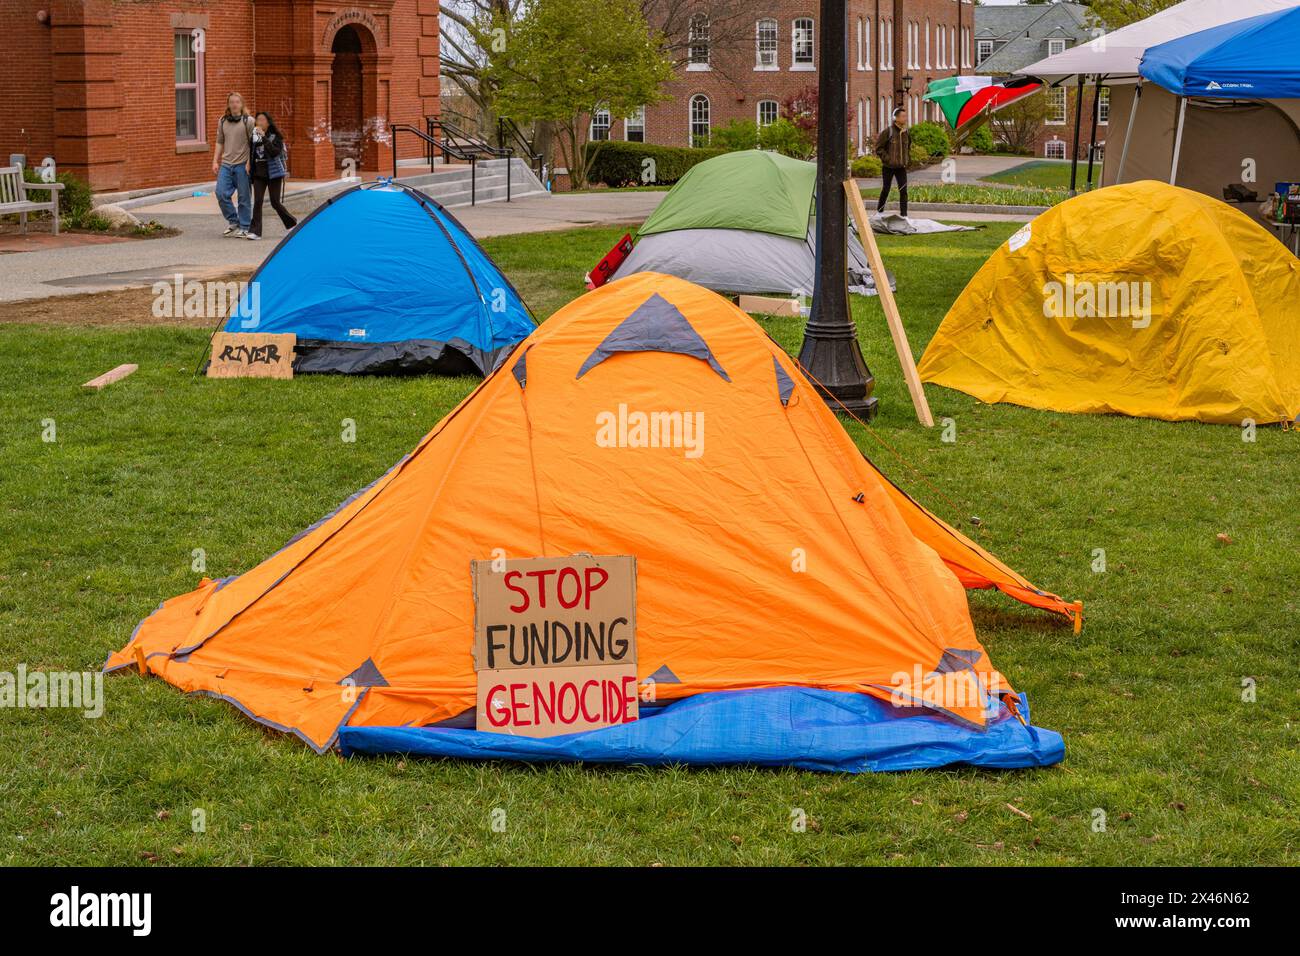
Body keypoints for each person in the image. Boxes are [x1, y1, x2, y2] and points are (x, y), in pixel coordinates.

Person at [247, 112, 298, 240]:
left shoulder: (276, 137)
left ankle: (292, 223)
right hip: (259, 172)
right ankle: (255, 231)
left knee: (275, 202)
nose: (260, 122)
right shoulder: (253, 136)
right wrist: (249, 164)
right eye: (258, 120)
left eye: (263, 120)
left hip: (273, 172)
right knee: (257, 201)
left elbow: (275, 152)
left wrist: (264, 137)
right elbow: (251, 152)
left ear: (268, 123)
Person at [212, 92, 254, 237]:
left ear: (242, 104)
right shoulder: (223, 120)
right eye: (231, 102)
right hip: (226, 164)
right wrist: (215, 161)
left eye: (237, 102)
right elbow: (219, 141)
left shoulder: (248, 121)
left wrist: (249, 162)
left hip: (243, 165)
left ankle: (245, 226)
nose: (234, 105)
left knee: (244, 197)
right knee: (221, 193)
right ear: (228, 104)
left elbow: (253, 144)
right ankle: (233, 221)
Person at [874, 106, 910, 218]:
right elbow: (879, 148)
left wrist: (907, 160)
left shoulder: (906, 132)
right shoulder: (888, 132)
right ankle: (879, 212)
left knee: (903, 190)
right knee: (886, 189)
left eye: (905, 116)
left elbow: (908, 147)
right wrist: (888, 159)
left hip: (901, 167)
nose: (905, 118)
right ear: (896, 118)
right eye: (903, 116)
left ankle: (904, 215)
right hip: (888, 167)